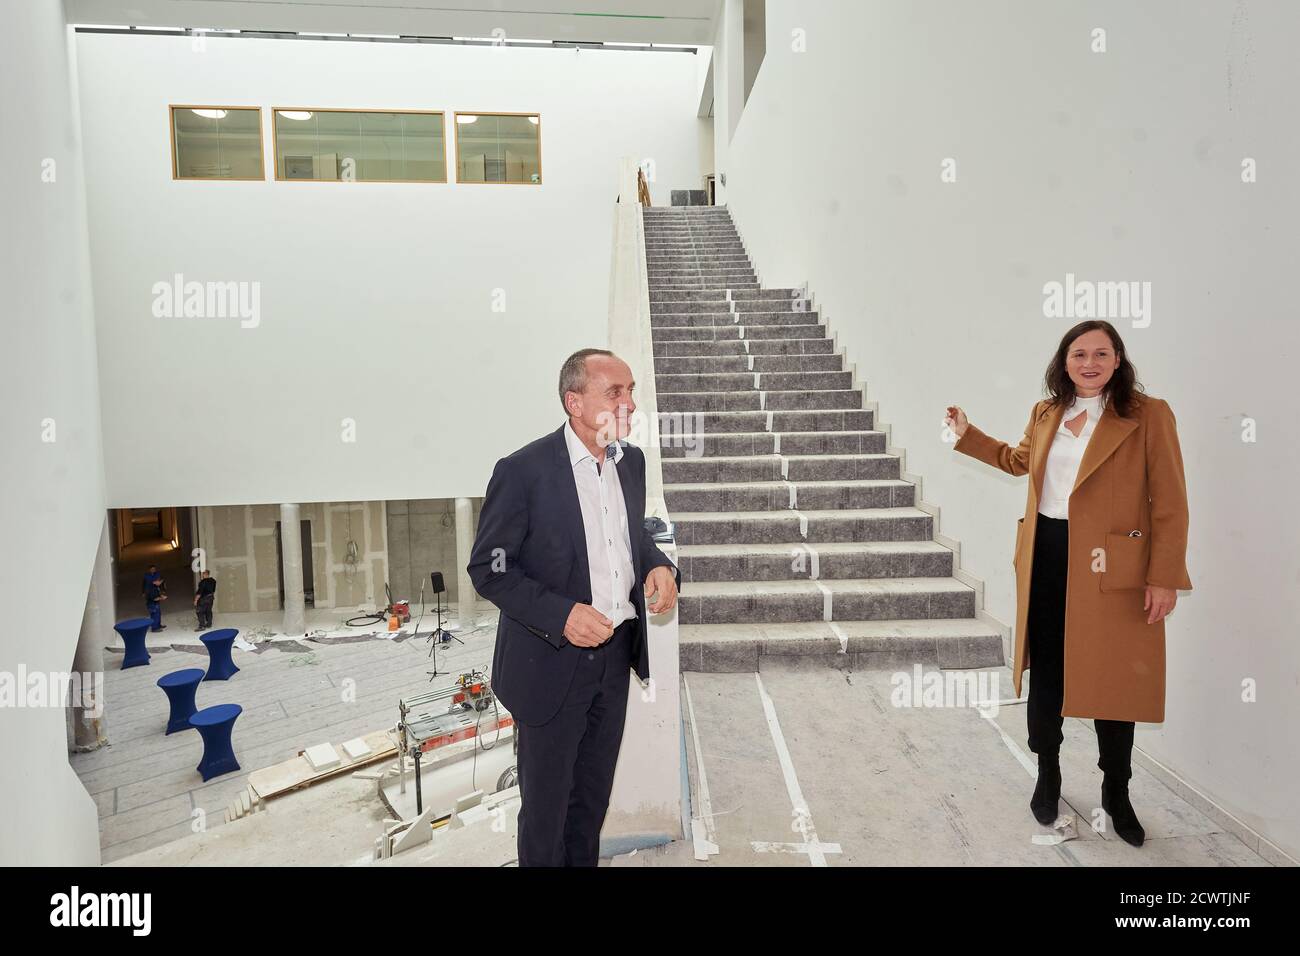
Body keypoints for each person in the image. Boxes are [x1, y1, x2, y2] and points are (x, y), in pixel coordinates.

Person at [945, 320, 1192, 847]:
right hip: (1048, 555)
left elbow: (1169, 501)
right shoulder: (1047, 412)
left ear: (1118, 360)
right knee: (1049, 672)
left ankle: (1116, 791)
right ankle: (1048, 775)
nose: (1089, 362)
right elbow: (1018, 462)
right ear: (1064, 362)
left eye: (1102, 353)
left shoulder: (1149, 415)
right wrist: (968, 434)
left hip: (1113, 567)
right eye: (1079, 353)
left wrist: (1164, 576)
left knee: (1116, 681)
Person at [467, 348, 681, 867]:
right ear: (574, 401)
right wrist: (561, 614)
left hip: (613, 660)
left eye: (631, 390)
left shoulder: (631, 462)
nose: (630, 402)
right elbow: (489, 569)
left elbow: (629, 537)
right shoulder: (522, 472)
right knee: (545, 814)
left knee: (590, 802)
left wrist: (658, 564)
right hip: (550, 665)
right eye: (616, 392)